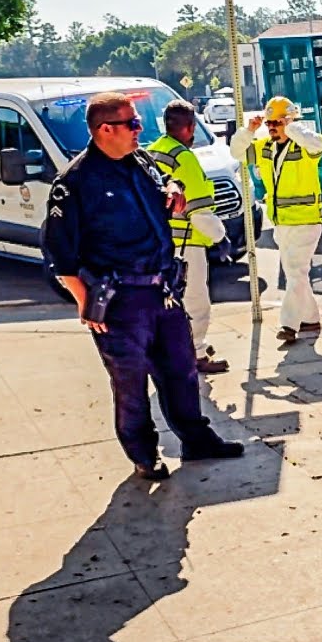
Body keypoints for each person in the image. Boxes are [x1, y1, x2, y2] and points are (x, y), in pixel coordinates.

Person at [40, 92, 243, 481]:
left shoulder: (139, 160)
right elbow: (59, 256)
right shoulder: (75, 182)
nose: (140, 131)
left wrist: (171, 190)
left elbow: (163, 181)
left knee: (181, 370)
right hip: (118, 301)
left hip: (162, 289)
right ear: (105, 129)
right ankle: (144, 455)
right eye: (132, 124)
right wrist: (85, 302)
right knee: (130, 383)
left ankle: (197, 440)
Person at [229, 95, 322, 345]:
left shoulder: (304, 144)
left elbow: (318, 145)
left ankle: (288, 324)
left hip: (306, 220)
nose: (272, 127)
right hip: (281, 222)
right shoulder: (264, 147)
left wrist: (292, 125)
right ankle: (311, 318)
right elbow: (236, 151)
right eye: (270, 122)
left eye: (277, 122)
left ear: (289, 120)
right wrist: (249, 130)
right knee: (297, 274)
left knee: (295, 272)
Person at [146, 100, 230, 374]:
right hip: (187, 244)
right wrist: (220, 238)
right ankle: (197, 352)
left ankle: (179, 349)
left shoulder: (153, 151)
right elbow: (199, 212)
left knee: (167, 302)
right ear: (190, 127)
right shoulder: (184, 158)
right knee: (196, 300)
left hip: (158, 243)